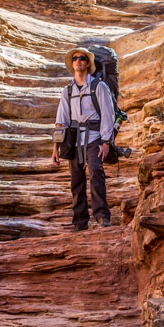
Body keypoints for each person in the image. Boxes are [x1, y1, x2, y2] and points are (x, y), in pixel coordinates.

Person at [52, 46, 115, 231]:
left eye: (81, 58)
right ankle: (80, 222)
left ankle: (102, 216)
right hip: (74, 141)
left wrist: (106, 142)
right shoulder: (67, 91)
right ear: (73, 64)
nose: (78, 61)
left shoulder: (99, 87)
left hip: (94, 138)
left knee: (96, 172)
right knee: (76, 180)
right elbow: (61, 121)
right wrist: (55, 148)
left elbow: (108, 115)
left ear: (88, 63)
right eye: (75, 59)